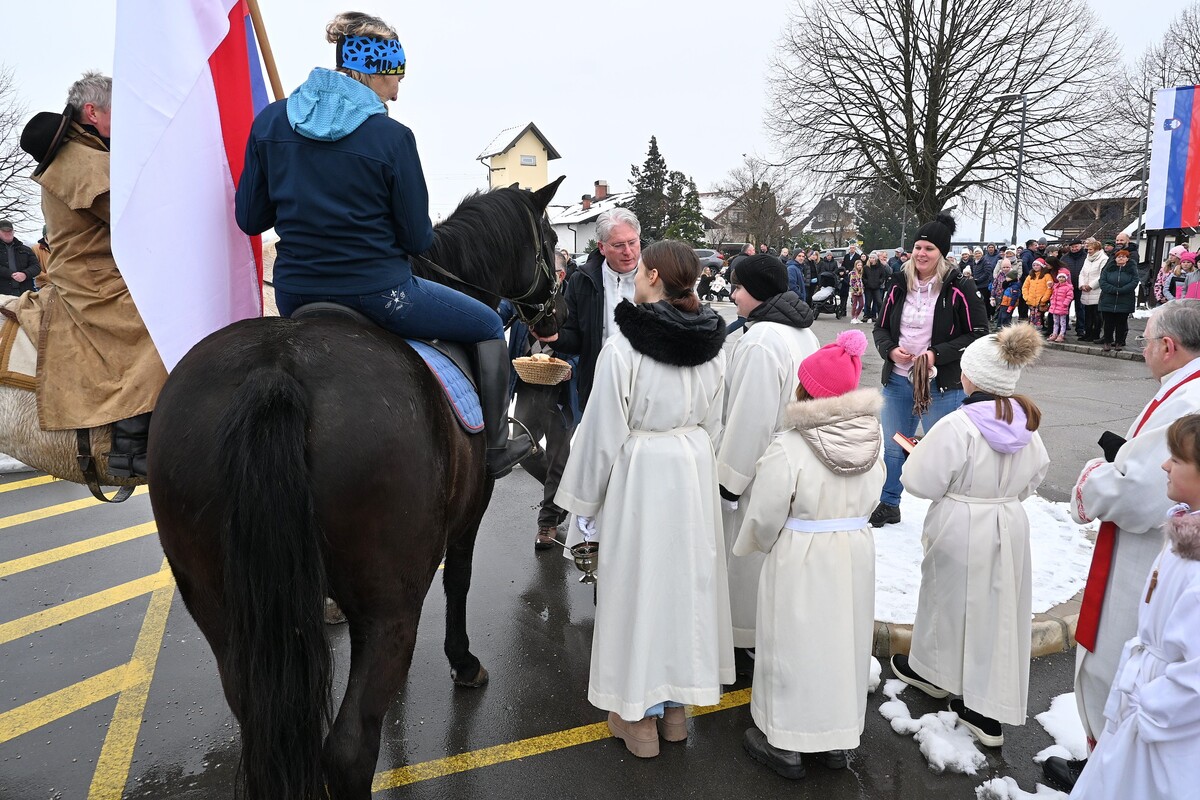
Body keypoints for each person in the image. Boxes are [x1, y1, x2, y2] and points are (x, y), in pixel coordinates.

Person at [235, 13, 532, 479]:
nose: (398, 90)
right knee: (489, 323)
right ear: (376, 71)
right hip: (381, 295)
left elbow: (250, 218)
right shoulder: (392, 137)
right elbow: (417, 238)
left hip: (296, 293)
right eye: (398, 77)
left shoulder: (272, 121)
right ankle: (495, 446)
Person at [554, 240, 733, 759]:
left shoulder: (626, 346)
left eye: (640, 272)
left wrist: (582, 506)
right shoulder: (713, 344)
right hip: (692, 467)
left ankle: (637, 717)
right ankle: (675, 712)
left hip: (643, 473)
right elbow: (715, 423)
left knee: (639, 590)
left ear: (652, 275)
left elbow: (602, 430)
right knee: (683, 592)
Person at [1043, 300, 1200, 792]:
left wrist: (1092, 478)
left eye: (1147, 340)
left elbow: (1140, 491)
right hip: (1159, 551)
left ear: (1168, 347)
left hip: (1149, 554)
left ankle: (1111, 769)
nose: (1143, 348)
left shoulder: (1185, 401)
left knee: (1122, 658)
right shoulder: (1182, 389)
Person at [891, 323, 1049, 748]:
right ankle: (944, 677)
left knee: (949, 599)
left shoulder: (959, 424)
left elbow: (921, 481)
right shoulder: (1026, 422)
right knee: (996, 609)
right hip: (1006, 521)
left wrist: (919, 457)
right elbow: (1035, 475)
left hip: (962, 522)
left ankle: (974, 703)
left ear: (971, 377)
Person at [735, 329, 884, 780]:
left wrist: (754, 544)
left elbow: (764, 513)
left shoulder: (791, 445)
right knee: (843, 643)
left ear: (805, 389)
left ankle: (785, 741)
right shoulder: (871, 438)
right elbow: (876, 494)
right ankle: (835, 739)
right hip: (854, 551)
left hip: (801, 551)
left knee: (792, 644)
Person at [15, 72, 167, 478]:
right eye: (119, 112)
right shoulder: (83, 161)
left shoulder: (87, 154)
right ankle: (131, 446)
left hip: (98, 267)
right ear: (93, 111)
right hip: (94, 278)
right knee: (152, 327)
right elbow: (135, 221)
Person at [1066, 414, 1200, 799]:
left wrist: (1149, 709)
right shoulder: (1183, 531)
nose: (1164, 464)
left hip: (1166, 726)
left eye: (1177, 458)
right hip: (1144, 707)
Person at [717, 254, 818, 659]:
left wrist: (730, 481)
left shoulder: (762, 340)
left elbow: (750, 418)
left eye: (738, 287)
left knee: (747, 556)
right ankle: (769, 632)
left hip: (762, 466)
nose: (732, 294)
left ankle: (747, 638)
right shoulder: (800, 332)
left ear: (757, 292)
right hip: (796, 457)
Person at [869, 213, 988, 527]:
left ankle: (951, 512)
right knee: (895, 447)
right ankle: (889, 503)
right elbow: (880, 329)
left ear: (942, 254)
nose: (921, 253)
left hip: (943, 385)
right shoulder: (898, 282)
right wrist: (890, 350)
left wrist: (936, 354)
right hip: (897, 380)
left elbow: (979, 333)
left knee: (945, 452)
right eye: (918, 247)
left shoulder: (960, 286)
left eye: (929, 249)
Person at [500, 289, 579, 552]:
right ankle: (563, 496)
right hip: (527, 384)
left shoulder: (572, 301)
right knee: (523, 448)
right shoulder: (521, 299)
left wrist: (573, 369)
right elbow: (499, 311)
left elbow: (585, 342)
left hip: (561, 391)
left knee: (559, 456)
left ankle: (547, 523)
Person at [541, 207, 641, 413]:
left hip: (646, 386)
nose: (628, 251)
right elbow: (576, 337)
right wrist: (555, 337)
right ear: (602, 247)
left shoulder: (656, 275)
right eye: (618, 245)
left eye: (632, 242)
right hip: (599, 385)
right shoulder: (582, 280)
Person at [1097, 249, 1138, 352]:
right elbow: (1102, 281)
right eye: (1119, 256)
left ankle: (1119, 342)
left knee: (1121, 323)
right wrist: (1114, 290)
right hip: (1108, 299)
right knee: (1108, 323)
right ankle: (1107, 342)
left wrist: (1122, 290)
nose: (1121, 258)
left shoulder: (1132, 269)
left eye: (1124, 256)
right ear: (1115, 258)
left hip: (1125, 299)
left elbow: (1134, 281)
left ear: (1127, 259)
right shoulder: (1108, 268)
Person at [0, 220, 41, 295]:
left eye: (10, 231)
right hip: (3, 294)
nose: (8, 233)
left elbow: (36, 267)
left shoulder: (25, 249)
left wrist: (25, 274)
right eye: (4, 231)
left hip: (25, 293)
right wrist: (11, 274)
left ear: (13, 232)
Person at [1078, 239, 1106, 341]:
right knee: (1087, 313)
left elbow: (1101, 275)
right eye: (1088, 249)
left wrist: (1091, 285)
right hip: (1085, 290)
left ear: (1097, 249)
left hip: (1096, 290)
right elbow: (1082, 273)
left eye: (1091, 249)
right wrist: (1081, 285)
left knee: (1096, 315)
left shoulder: (1103, 259)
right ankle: (1087, 333)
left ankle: (1095, 334)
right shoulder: (1087, 258)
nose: (1088, 251)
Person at [1062, 239, 1088, 335]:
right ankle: (1063, 327)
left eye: (1076, 246)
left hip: (1081, 286)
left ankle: (1080, 328)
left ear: (1080, 246)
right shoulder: (1065, 258)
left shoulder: (1086, 257)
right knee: (1065, 307)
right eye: (1072, 247)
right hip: (1067, 287)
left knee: (1080, 308)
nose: (1074, 248)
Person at [1022, 258, 1053, 331]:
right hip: (1031, 300)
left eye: (1037, 265)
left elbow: (1049, 288)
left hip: (1041, 301)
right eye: (1034, 265)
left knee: (1039, 316)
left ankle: (1040, 329)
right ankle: (1031, 329)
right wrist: (1026, 297)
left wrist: (1044, 299)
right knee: (1032, 315)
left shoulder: (1047, 276)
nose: (1035, 267)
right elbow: (1025, 287)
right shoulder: (1030, 276)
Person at [1048, 268, 1075, 343]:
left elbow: (1070, 296)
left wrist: (1065, 303)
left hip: (1062, 307)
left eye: (1063, 277)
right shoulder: (1056, 286)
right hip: (1055, 307)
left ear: (1066, 278)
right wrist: (1052, 301)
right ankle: (1054, 333)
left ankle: (1061, 334)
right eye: (1060, 277)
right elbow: (1053, 295)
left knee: (1062, 323)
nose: (1061, 279)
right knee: (1055, 322)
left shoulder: (1068, 287)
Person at [862, 251, 888, 322]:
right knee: (867, 303)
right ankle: (867, 316)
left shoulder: (880, 267)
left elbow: (883, 276)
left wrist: (879, 282)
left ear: (876, 259)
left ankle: (880, 316)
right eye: (870, 258)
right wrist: (866, 282)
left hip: (876, 287)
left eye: (873, 258)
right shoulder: (866, 267)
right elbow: (863, 277)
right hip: (868, 287)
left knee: (879, 302)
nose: (871, 259)